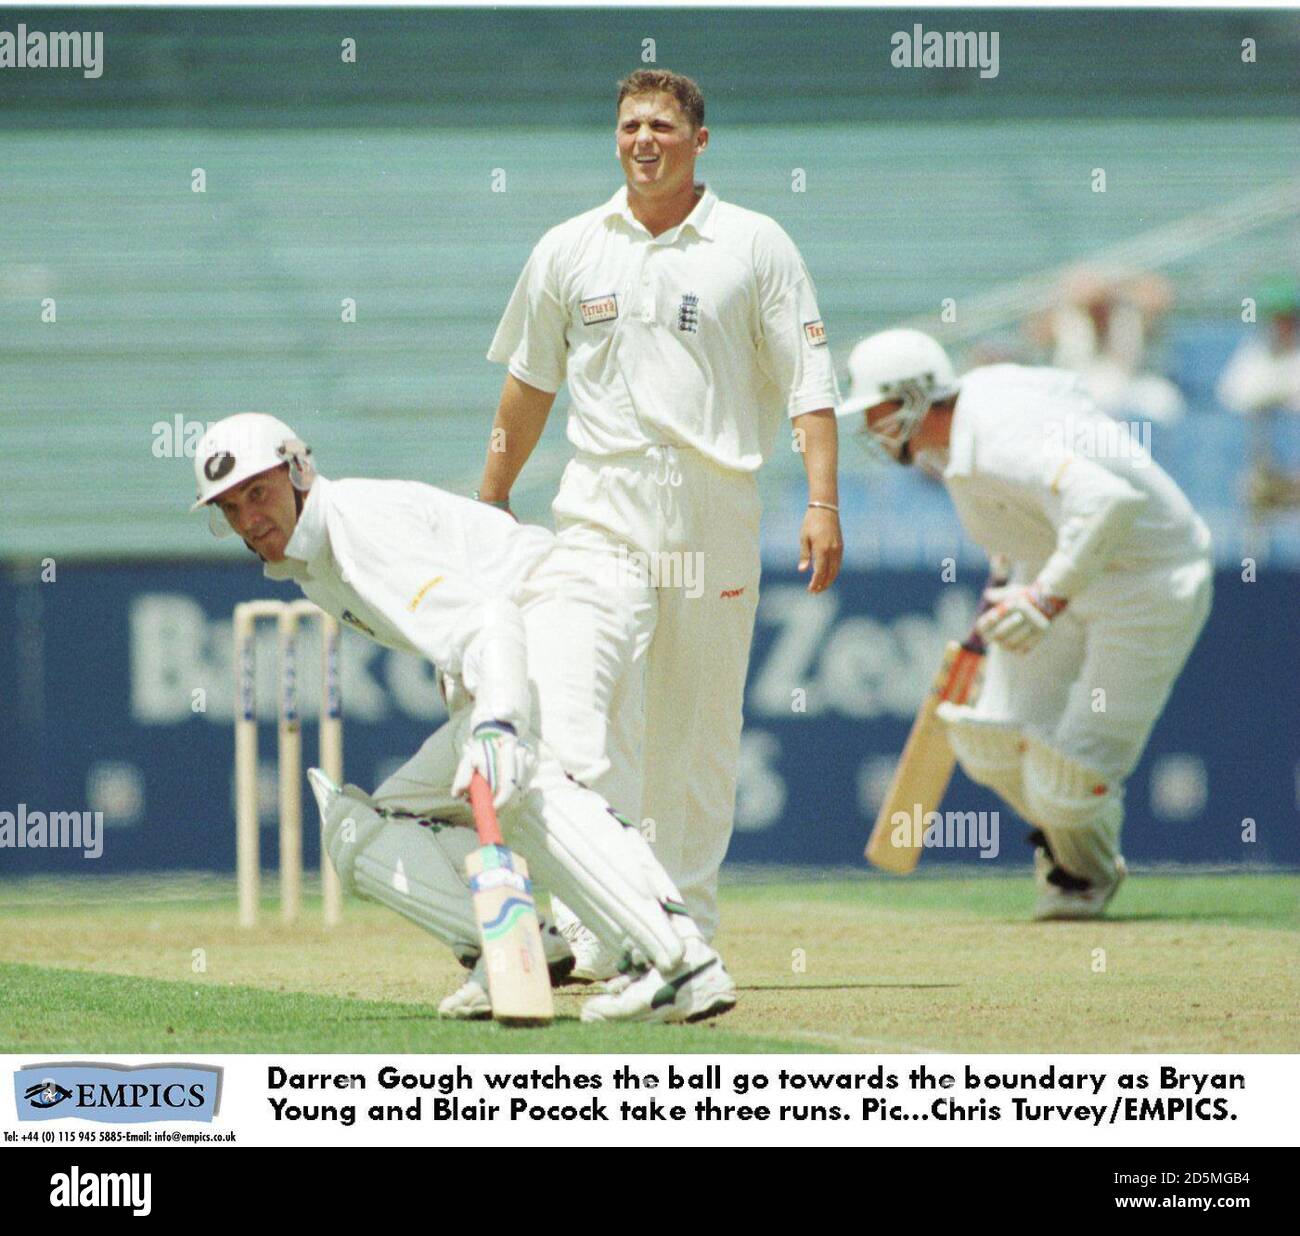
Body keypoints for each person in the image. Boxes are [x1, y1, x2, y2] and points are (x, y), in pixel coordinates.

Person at [189, 411, 735, 1023]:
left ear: (297, 470)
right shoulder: (312, 564)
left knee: (521, 775)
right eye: (231, 509)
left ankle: (680, 961)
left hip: (559, 600)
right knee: (364, 827)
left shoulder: (353, 526)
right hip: (534, 620)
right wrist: (479, 706)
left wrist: (498, 723)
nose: (249, 519)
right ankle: (511, 951)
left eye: (257, 494)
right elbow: (458, 621)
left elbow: (488, 616)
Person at [476, 68, 842, 965]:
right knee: (580, 715)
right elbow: (528, 383)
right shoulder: (569, 247)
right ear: (616, 138)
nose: (645, 140)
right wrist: (491, 497)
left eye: (664, 127)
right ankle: (588, 921)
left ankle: (681, 930)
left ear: (699, 140)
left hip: (710, 506)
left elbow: (811, 381)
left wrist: (824, 499)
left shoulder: (754, 244)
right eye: (632, 125)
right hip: (598, 506)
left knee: (695, 730)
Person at [837, 330, 1213, 918]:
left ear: (912, 398)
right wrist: (1014, 582)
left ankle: (1079, 871)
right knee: (987, 739)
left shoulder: (999, 435)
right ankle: (1073, 853)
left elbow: (1110, 500)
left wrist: (1044, 599)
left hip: (1148, 581)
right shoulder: (965, 434)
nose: (870, 429)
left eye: (876, 412)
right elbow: (1059, 417)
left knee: (1070, 782)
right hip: (1056, 571)